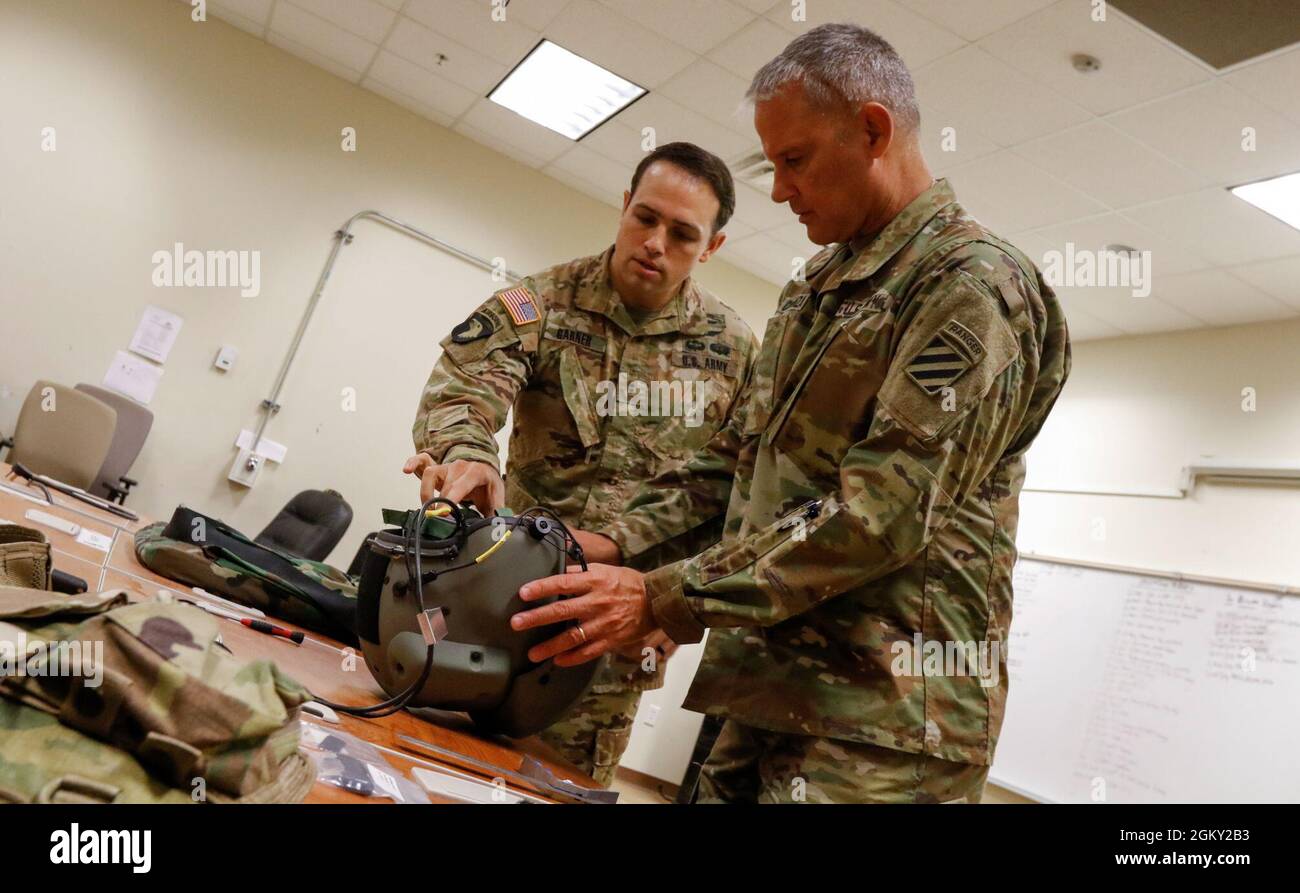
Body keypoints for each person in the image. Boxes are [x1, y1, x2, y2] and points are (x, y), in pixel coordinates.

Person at [512, 23, 1072, 803]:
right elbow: (730, 469)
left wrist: (665, 595)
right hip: (772, 686)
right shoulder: (815, 290)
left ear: (873, 131)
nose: (778, 189)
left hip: (888, 723)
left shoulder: (972, 289)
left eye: (794, 160)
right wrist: (602, 543)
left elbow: (879, 513)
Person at [404, 142, 759, 787]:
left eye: (682, 234)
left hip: (618, 634)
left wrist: (682, 608)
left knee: (556, 786)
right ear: (624, 206)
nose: (655, 242)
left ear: (711, 247)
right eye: (645, 218)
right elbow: (463, 386)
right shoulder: (541, 302)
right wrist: (469, 454)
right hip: (499, 596)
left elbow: (743, 492)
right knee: (431, 764)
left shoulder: (735, 352)